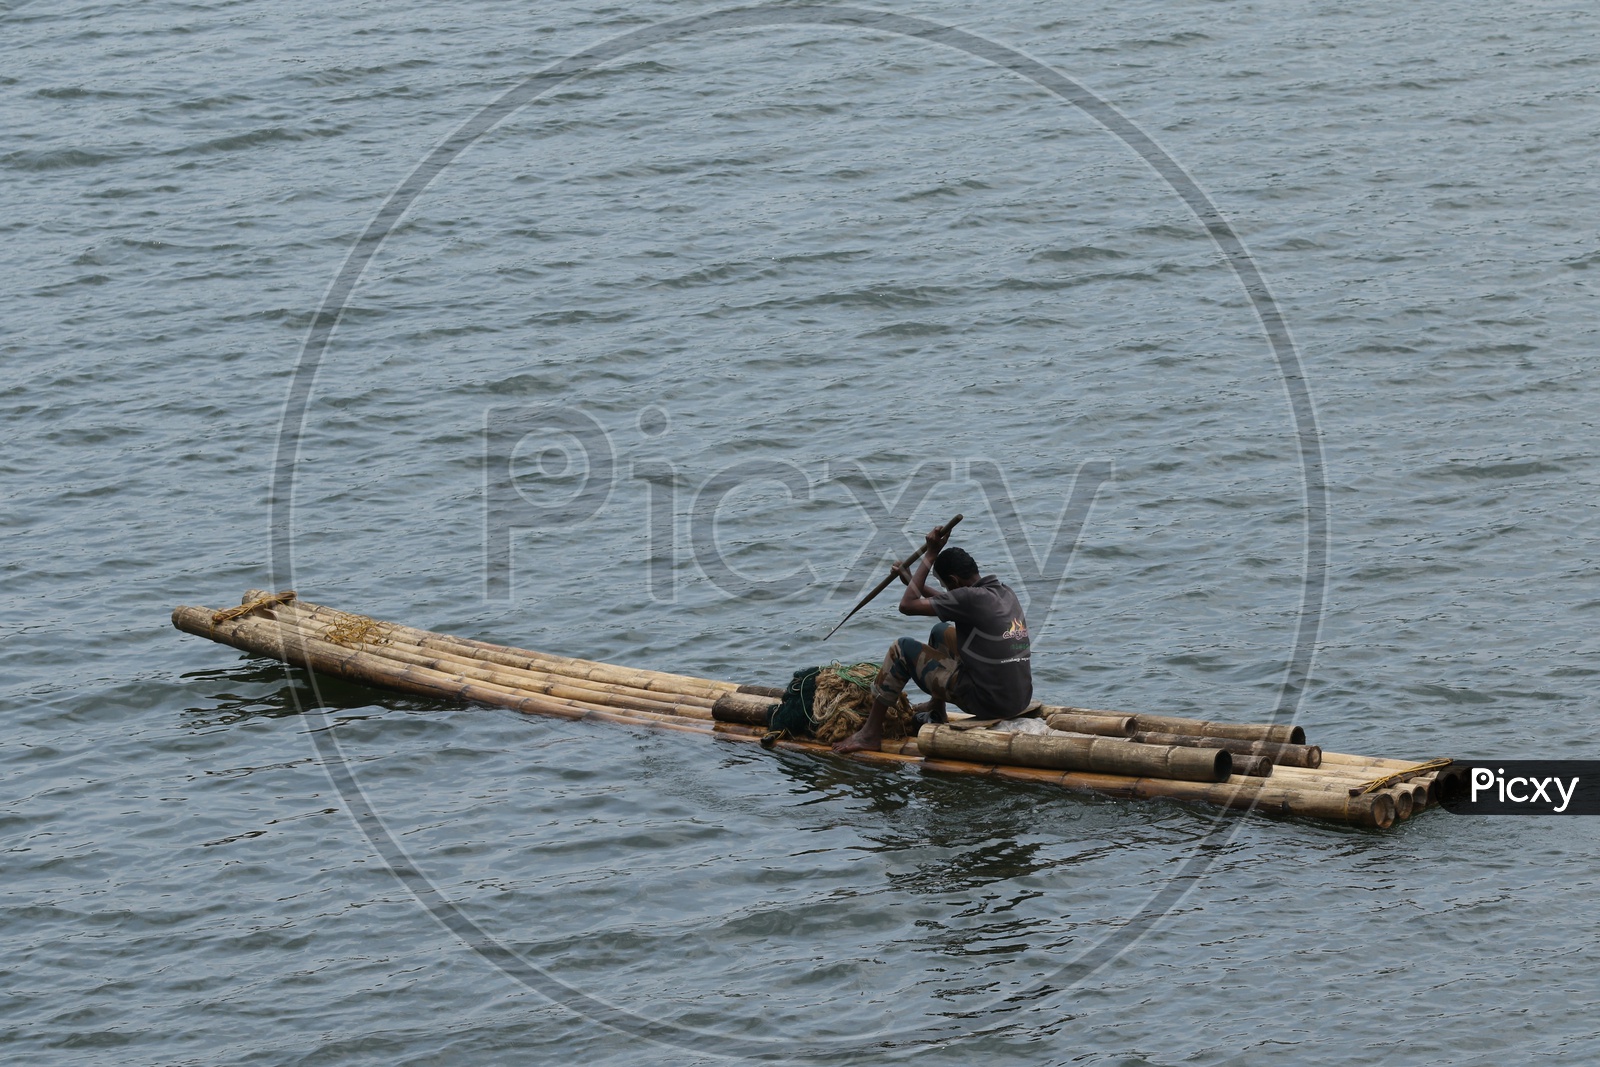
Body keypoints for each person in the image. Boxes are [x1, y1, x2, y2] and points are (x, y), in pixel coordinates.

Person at [832, 522, 1032, 753]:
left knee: (901, 649)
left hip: (990, 702)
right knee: (940, 632)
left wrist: (931, 553)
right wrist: (912, 581)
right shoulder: (1002, 592)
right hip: (1018, 698)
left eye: (944, 584)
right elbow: (953, 602)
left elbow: (907, 606)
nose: (945, 590)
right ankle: (938, 709)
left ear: (955, 581)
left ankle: (870, 734)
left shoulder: (968, 598)